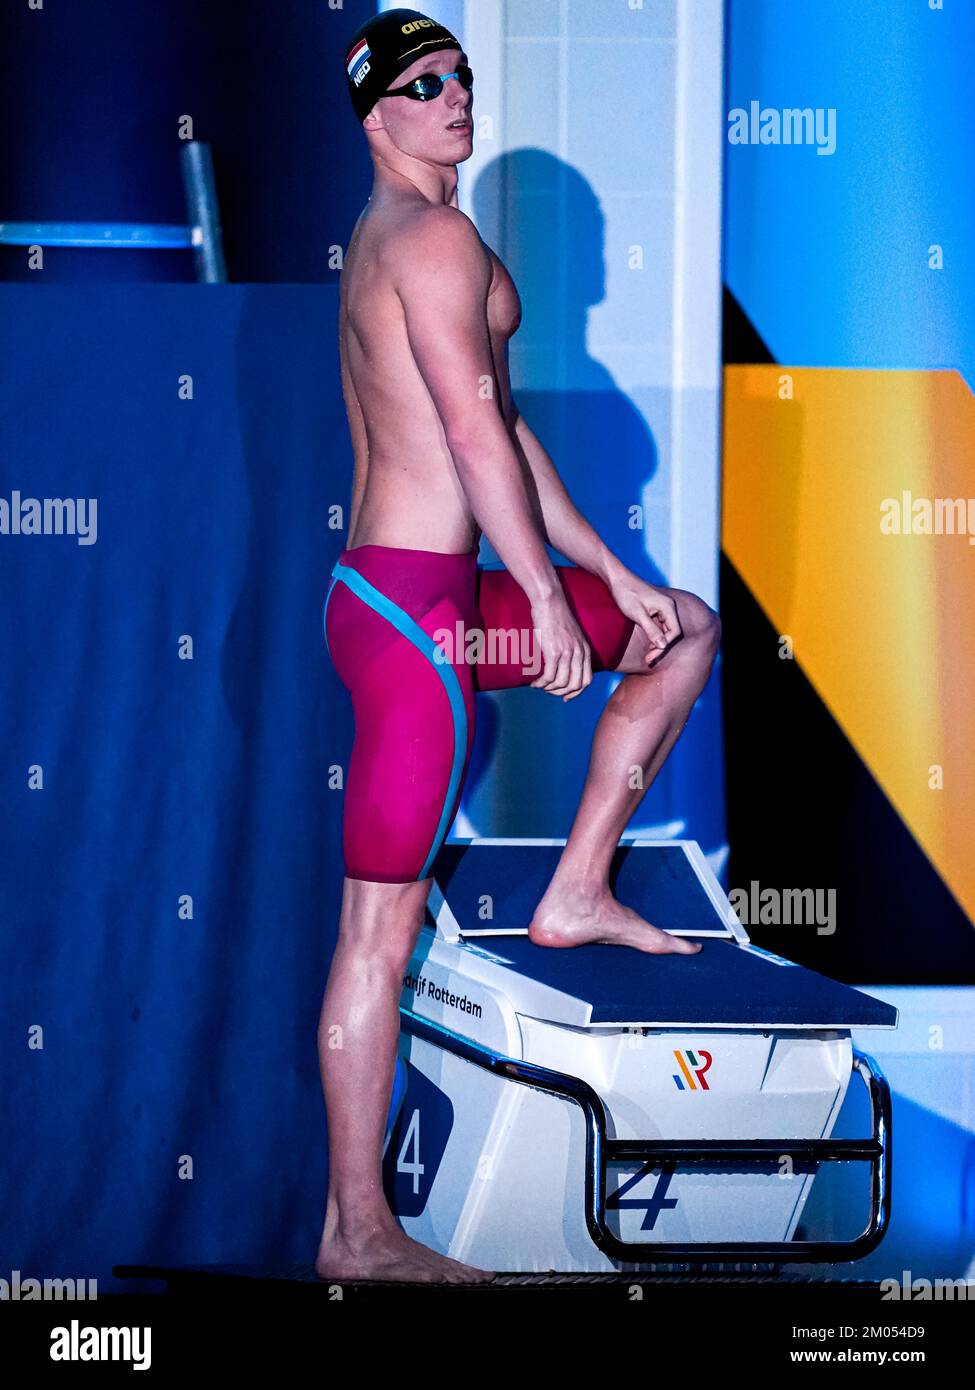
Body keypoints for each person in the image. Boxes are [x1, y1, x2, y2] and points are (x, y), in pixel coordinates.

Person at [316, 8, 722, 1285]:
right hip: (414, 620)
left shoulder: (429, 234)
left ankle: (577, 889)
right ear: (376, 117)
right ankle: (357, 1232)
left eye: (460, 77)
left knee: (680, 630)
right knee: (375, 934)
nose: (453, 97)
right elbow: (471, 440)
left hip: (424, 602)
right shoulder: (424, 237)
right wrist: (540, 600)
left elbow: (500, 428)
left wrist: (604, 574)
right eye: (423, 85)